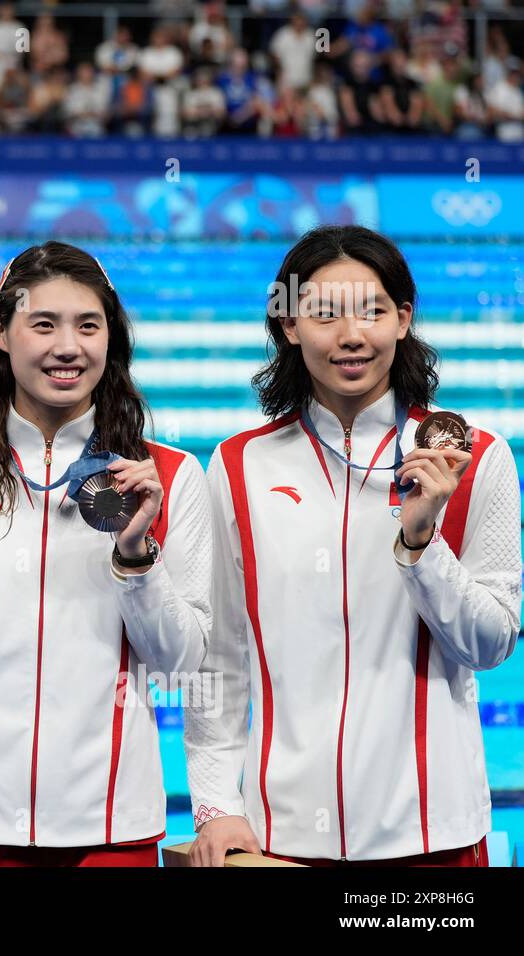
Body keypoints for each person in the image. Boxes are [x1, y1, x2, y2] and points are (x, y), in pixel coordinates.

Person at [0, 242, 212, 866]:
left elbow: (180, 663)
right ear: (1, 333)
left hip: (110, 828)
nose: (68, 347)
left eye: (88, 325)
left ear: (112, 338)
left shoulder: (170, 478)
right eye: (43, 324)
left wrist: (136, 559)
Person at [185, 225, 519, 866]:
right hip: (279, 837)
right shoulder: (237, 467)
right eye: (323, 313)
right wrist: (216, 806)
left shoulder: (476, 460)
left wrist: (422, 542)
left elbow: (492, 644)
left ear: (402, 319)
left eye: (372, 310)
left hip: (433, 835)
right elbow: (217, 657)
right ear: (288, 325)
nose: (351, 336)